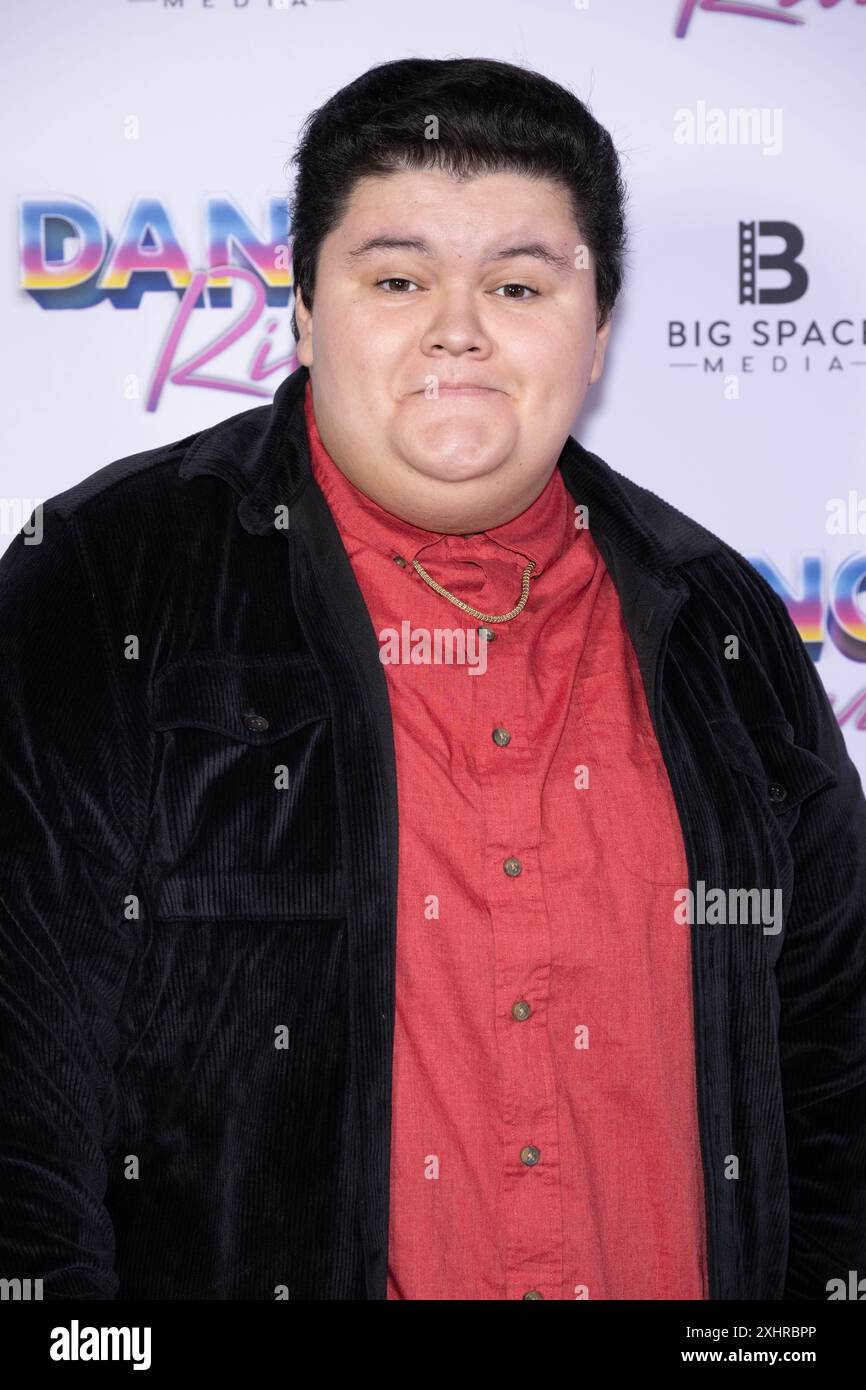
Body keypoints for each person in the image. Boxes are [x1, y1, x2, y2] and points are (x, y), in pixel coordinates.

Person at [1, 56, 864, 1302]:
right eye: (396, 279)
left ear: (600, 329)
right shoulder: (99, 583)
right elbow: (21, 1104)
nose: (456, 328)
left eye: (517, 283)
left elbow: (831, 1066)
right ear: (301, 310)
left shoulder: (714, 620)